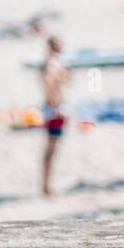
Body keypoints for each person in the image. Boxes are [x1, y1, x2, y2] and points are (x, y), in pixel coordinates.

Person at [40, 35, 72, 197]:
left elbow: (66, 82)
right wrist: (56, 107)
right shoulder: (51, 64)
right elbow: (49, 84)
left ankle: (47, 183)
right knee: (51, 148)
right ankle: (46, 185)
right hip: (54, 109)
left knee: (53, 147)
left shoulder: (56, 63)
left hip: (57, 108)